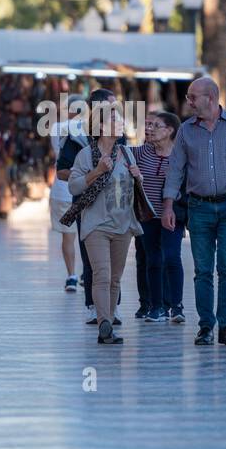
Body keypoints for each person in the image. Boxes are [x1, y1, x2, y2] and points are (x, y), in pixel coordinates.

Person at [162, 76, 226, 347]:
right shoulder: (185, 130)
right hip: (199, 208)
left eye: (193, 97)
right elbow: (176, 169)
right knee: (203, 270)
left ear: (211, 98)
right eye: (188, 97)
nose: (188, 102)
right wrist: (168, 204)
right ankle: (206, 326)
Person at [66, 99, 143, 344]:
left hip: (123, 225)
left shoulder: (127, 152)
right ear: (99, 126)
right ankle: (104, 323)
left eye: (120, 119)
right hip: (96, 224)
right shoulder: (86, 154)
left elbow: (134, 190)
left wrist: (139, 177)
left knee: (115, 278)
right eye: (113, 119)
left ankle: (108, 324)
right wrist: (97, 171)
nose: (119, 123)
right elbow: (74, 185)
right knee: (102, 273)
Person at [57, 88, 121, 321]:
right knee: (92, 260)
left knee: (115, 261)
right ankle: (94, 307)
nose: (116, 111)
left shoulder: (119, 134)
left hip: (116, 206)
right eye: (111, 106)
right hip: (87, 205)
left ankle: (113, 307)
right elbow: (62, 172)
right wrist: (91, 172)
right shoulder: (75, 135)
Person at [133, 111, 184, 324]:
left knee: (171, 256)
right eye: (150, 125)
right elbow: (114, 153)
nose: (150, 129)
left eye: (156, 125)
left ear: (170, 130)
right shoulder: (142, 152)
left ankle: (176, 305)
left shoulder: (181, 155)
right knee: (153, 259)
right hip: (147, 215)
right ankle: (156, 307)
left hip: (172, 214)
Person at [49, 104, 84, 293]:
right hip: (86, 188)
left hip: (62, 189)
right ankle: (88, 272)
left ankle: (71, 276)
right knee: (88, 236)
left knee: (68, 236)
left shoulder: (57, 128)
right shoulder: (90, 129)